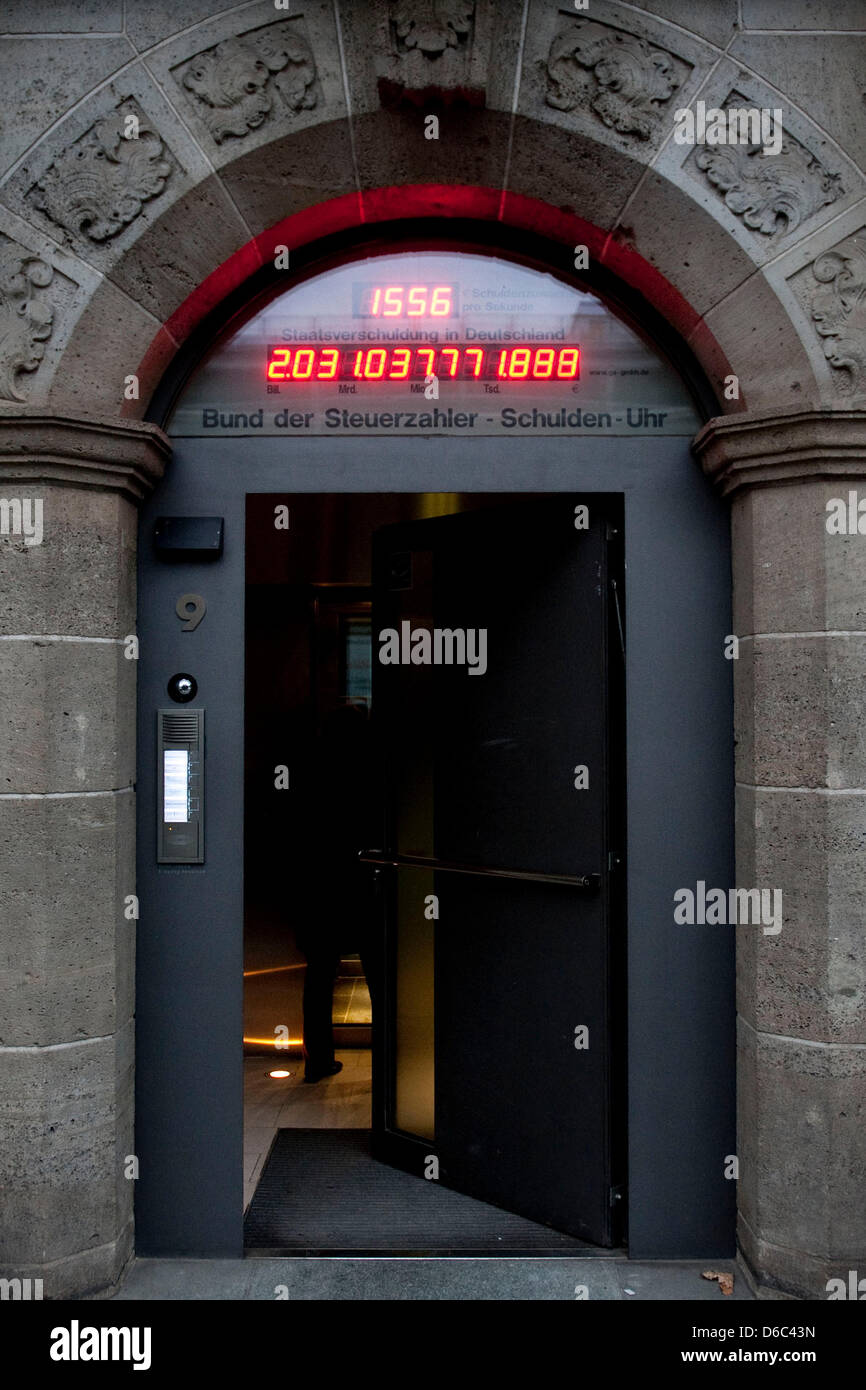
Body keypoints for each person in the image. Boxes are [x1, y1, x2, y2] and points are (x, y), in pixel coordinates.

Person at [296, 703, 378, 1082]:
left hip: (319, 887)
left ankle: (317, 1060)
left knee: (319, 977)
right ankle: (391, 1061)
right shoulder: (373, 768)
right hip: (364, 886)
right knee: (380, 973)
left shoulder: (312, 766)